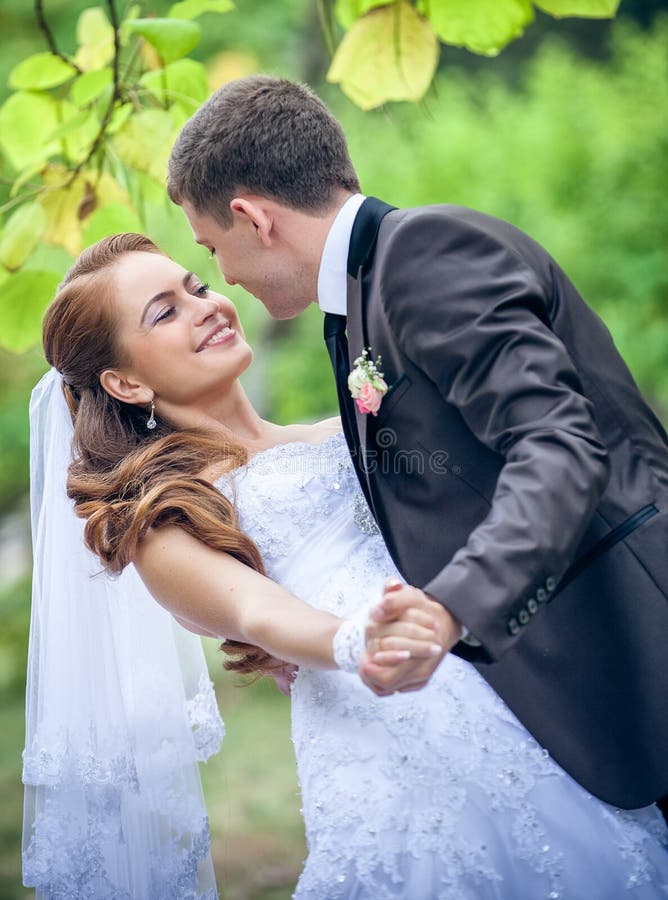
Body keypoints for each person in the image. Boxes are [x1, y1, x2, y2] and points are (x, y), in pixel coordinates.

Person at [29, 232, 668, 898]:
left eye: (197, 286)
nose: (206, 306)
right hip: (381, 723)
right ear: (125, 381)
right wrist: (363, 638)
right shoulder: (165, 518)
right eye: (164, 312)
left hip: (512, 690)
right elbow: (257, 612)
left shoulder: (346, 429)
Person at [167, 75, 668, 815]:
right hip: (567, 685)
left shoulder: (425, 255)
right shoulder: (363, 298)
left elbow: (560, 447)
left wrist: (452, 607)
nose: (226, 279)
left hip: (630, 637)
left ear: (253, 218)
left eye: (213, 249)